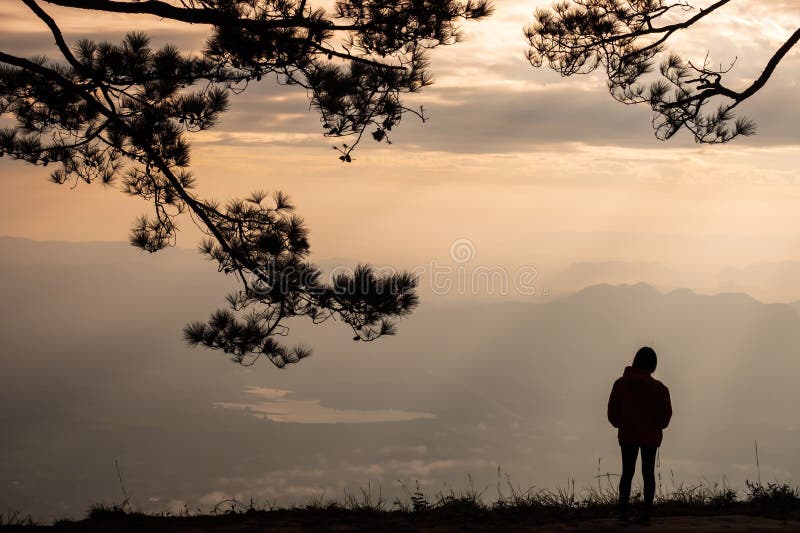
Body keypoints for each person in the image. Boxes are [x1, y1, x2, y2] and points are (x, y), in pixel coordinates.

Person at [607, 346, 672, 524]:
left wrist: (623, 424)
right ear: (653, 365)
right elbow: (665, 419)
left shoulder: (620, 385)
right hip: (651, 436)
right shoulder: (660, 389)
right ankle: (646, 514)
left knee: (627, 473)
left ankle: (623, 513)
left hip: (627, 435)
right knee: (648, 473)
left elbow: (612, 414)